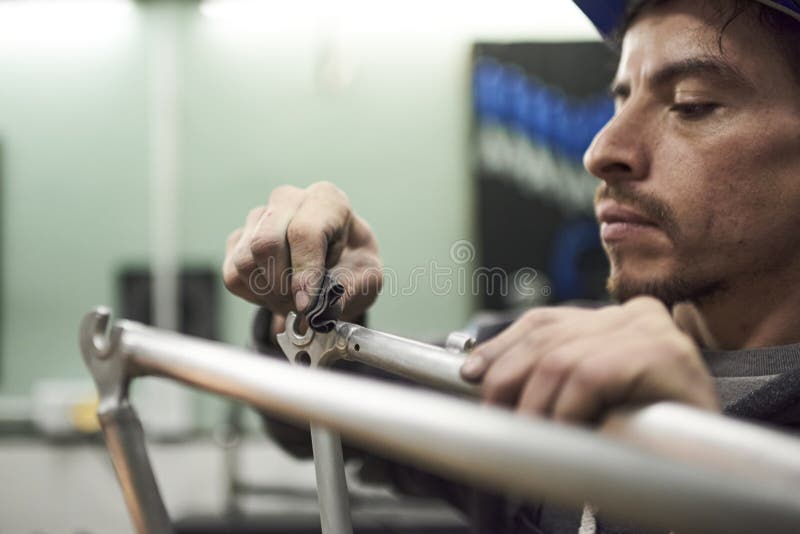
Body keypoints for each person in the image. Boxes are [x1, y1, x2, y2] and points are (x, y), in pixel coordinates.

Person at [222, 0, 800, 531]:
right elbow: (322, 423)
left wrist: (696, 455)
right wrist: (306, 301)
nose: (601, 150)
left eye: (691, 105)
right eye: (620, 98)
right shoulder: (551, 363)